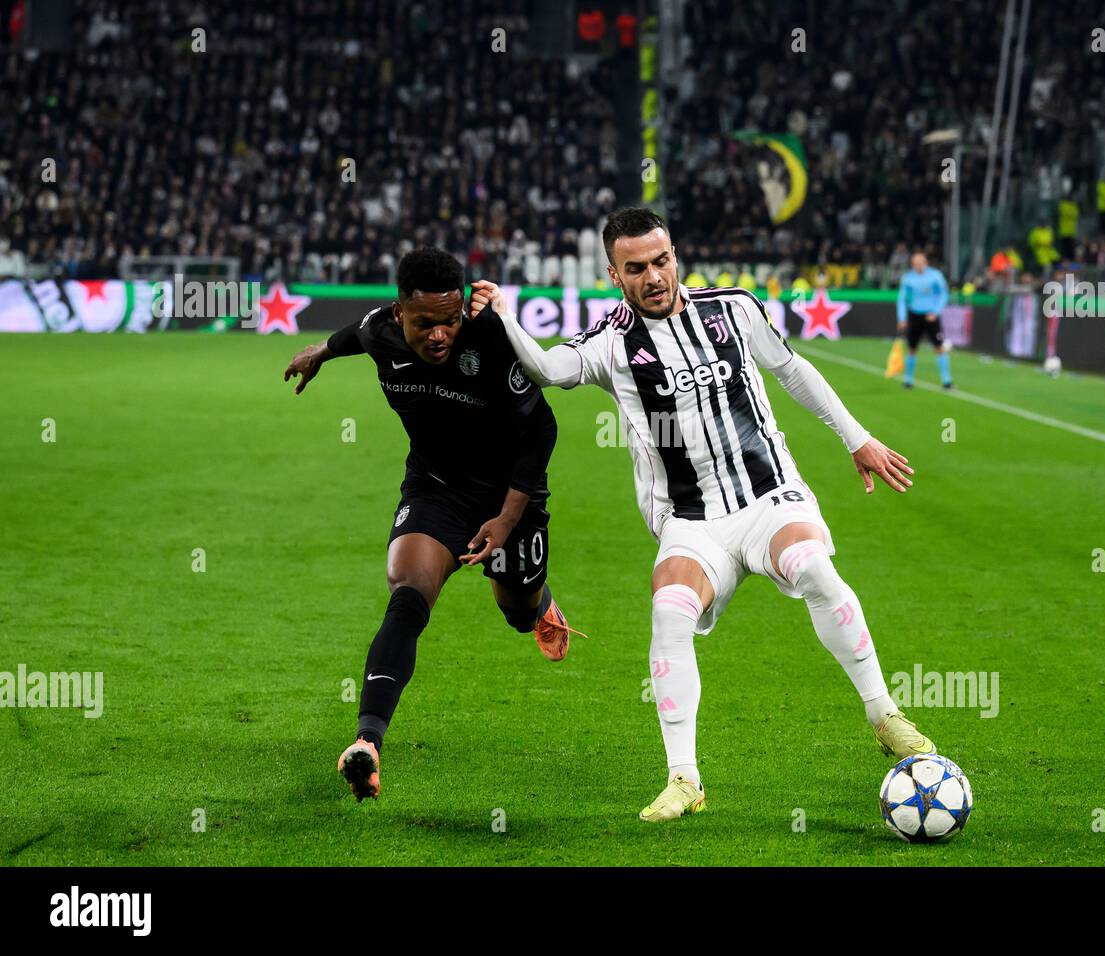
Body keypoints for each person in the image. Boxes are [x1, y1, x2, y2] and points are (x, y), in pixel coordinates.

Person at [468, 207, 936, 822]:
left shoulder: (734, 309)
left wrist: (858, 439)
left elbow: (793, 370)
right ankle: (684, 778)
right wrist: (503, 315)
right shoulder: (612, 342)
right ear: (615, 274)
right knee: (669, 610)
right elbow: (550, 370)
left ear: (675, 255)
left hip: (768, 496)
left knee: (814, 568)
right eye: (636, 268)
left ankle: (885, 716)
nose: (654, 276)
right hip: (690, 519)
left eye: (661, 261)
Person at [282, 247, 581, 802]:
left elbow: (542, 431)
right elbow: (356, 334)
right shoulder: (381, 332)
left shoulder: (491, 338)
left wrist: (506, 518)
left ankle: (540, 607)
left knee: (515, 611)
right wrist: (319, 352)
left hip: (509, 495)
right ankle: (368, 742)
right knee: (408, 590)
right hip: (435, 489)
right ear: (400, 314)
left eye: (449, 320)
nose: (440, 334)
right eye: (425, 324)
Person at [895, 251, 953, 389]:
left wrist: (936, 311)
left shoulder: (935, 276)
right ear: (912, 265)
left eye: (920, 263)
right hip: (915, 315)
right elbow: (902, 299)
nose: (918, 266)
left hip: (931, 316)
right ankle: (908, 380)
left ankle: (947, 381)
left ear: (926, 263)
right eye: (915, 263)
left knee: (939, 347)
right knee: (912, 348)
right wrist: (902, 318)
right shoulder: (908, 278)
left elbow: (944, 294)